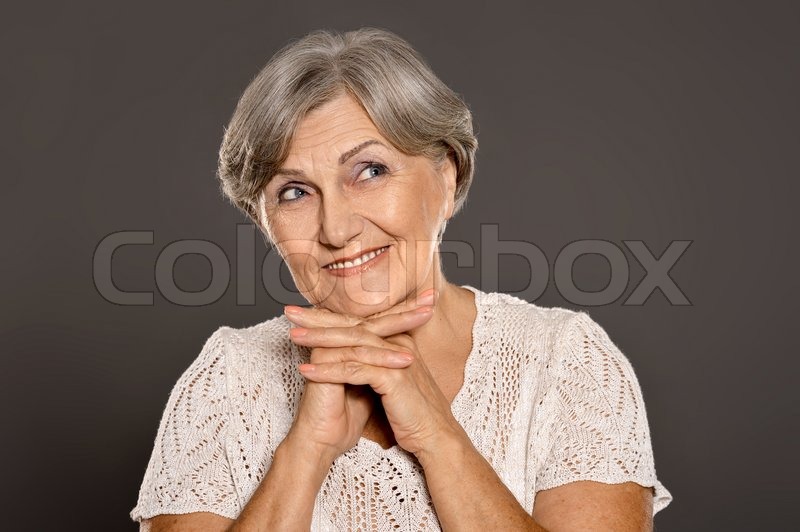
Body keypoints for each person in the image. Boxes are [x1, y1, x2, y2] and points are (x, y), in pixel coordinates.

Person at [130, 27, 673, 531]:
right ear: (263, 219)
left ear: (447, 174)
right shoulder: (229, 379)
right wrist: (306, 452)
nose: (337, 230)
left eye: (370, 171)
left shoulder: (565, 360)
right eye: (293, 191)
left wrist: (437, 436)